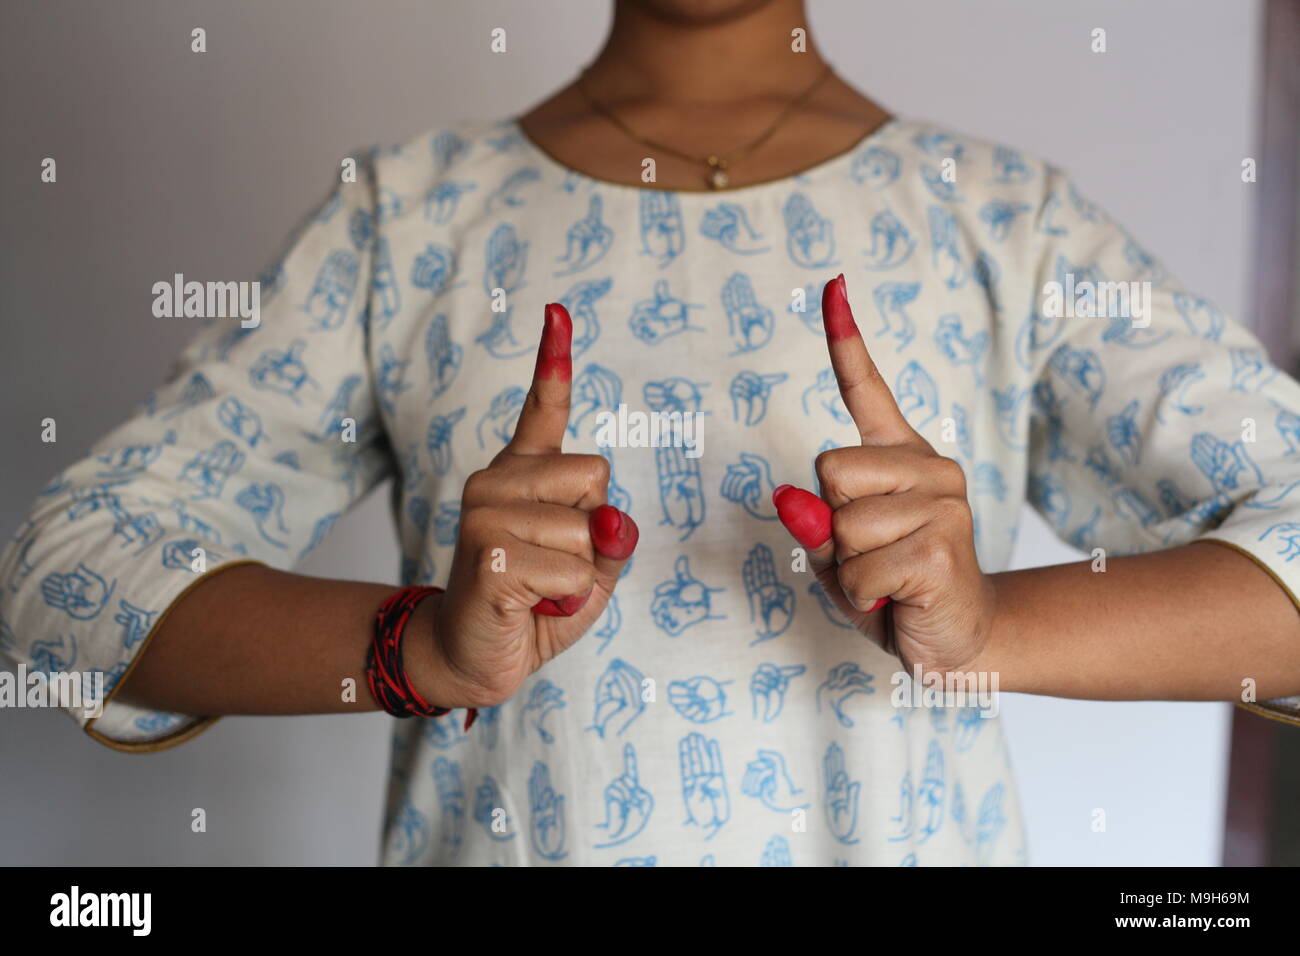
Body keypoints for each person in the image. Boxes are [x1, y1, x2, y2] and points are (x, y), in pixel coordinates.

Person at [3, 0, 1299, 867]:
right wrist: (416, 649)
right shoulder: (412, 221)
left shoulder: (998, 222)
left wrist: (993, 629)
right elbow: (65, 585)